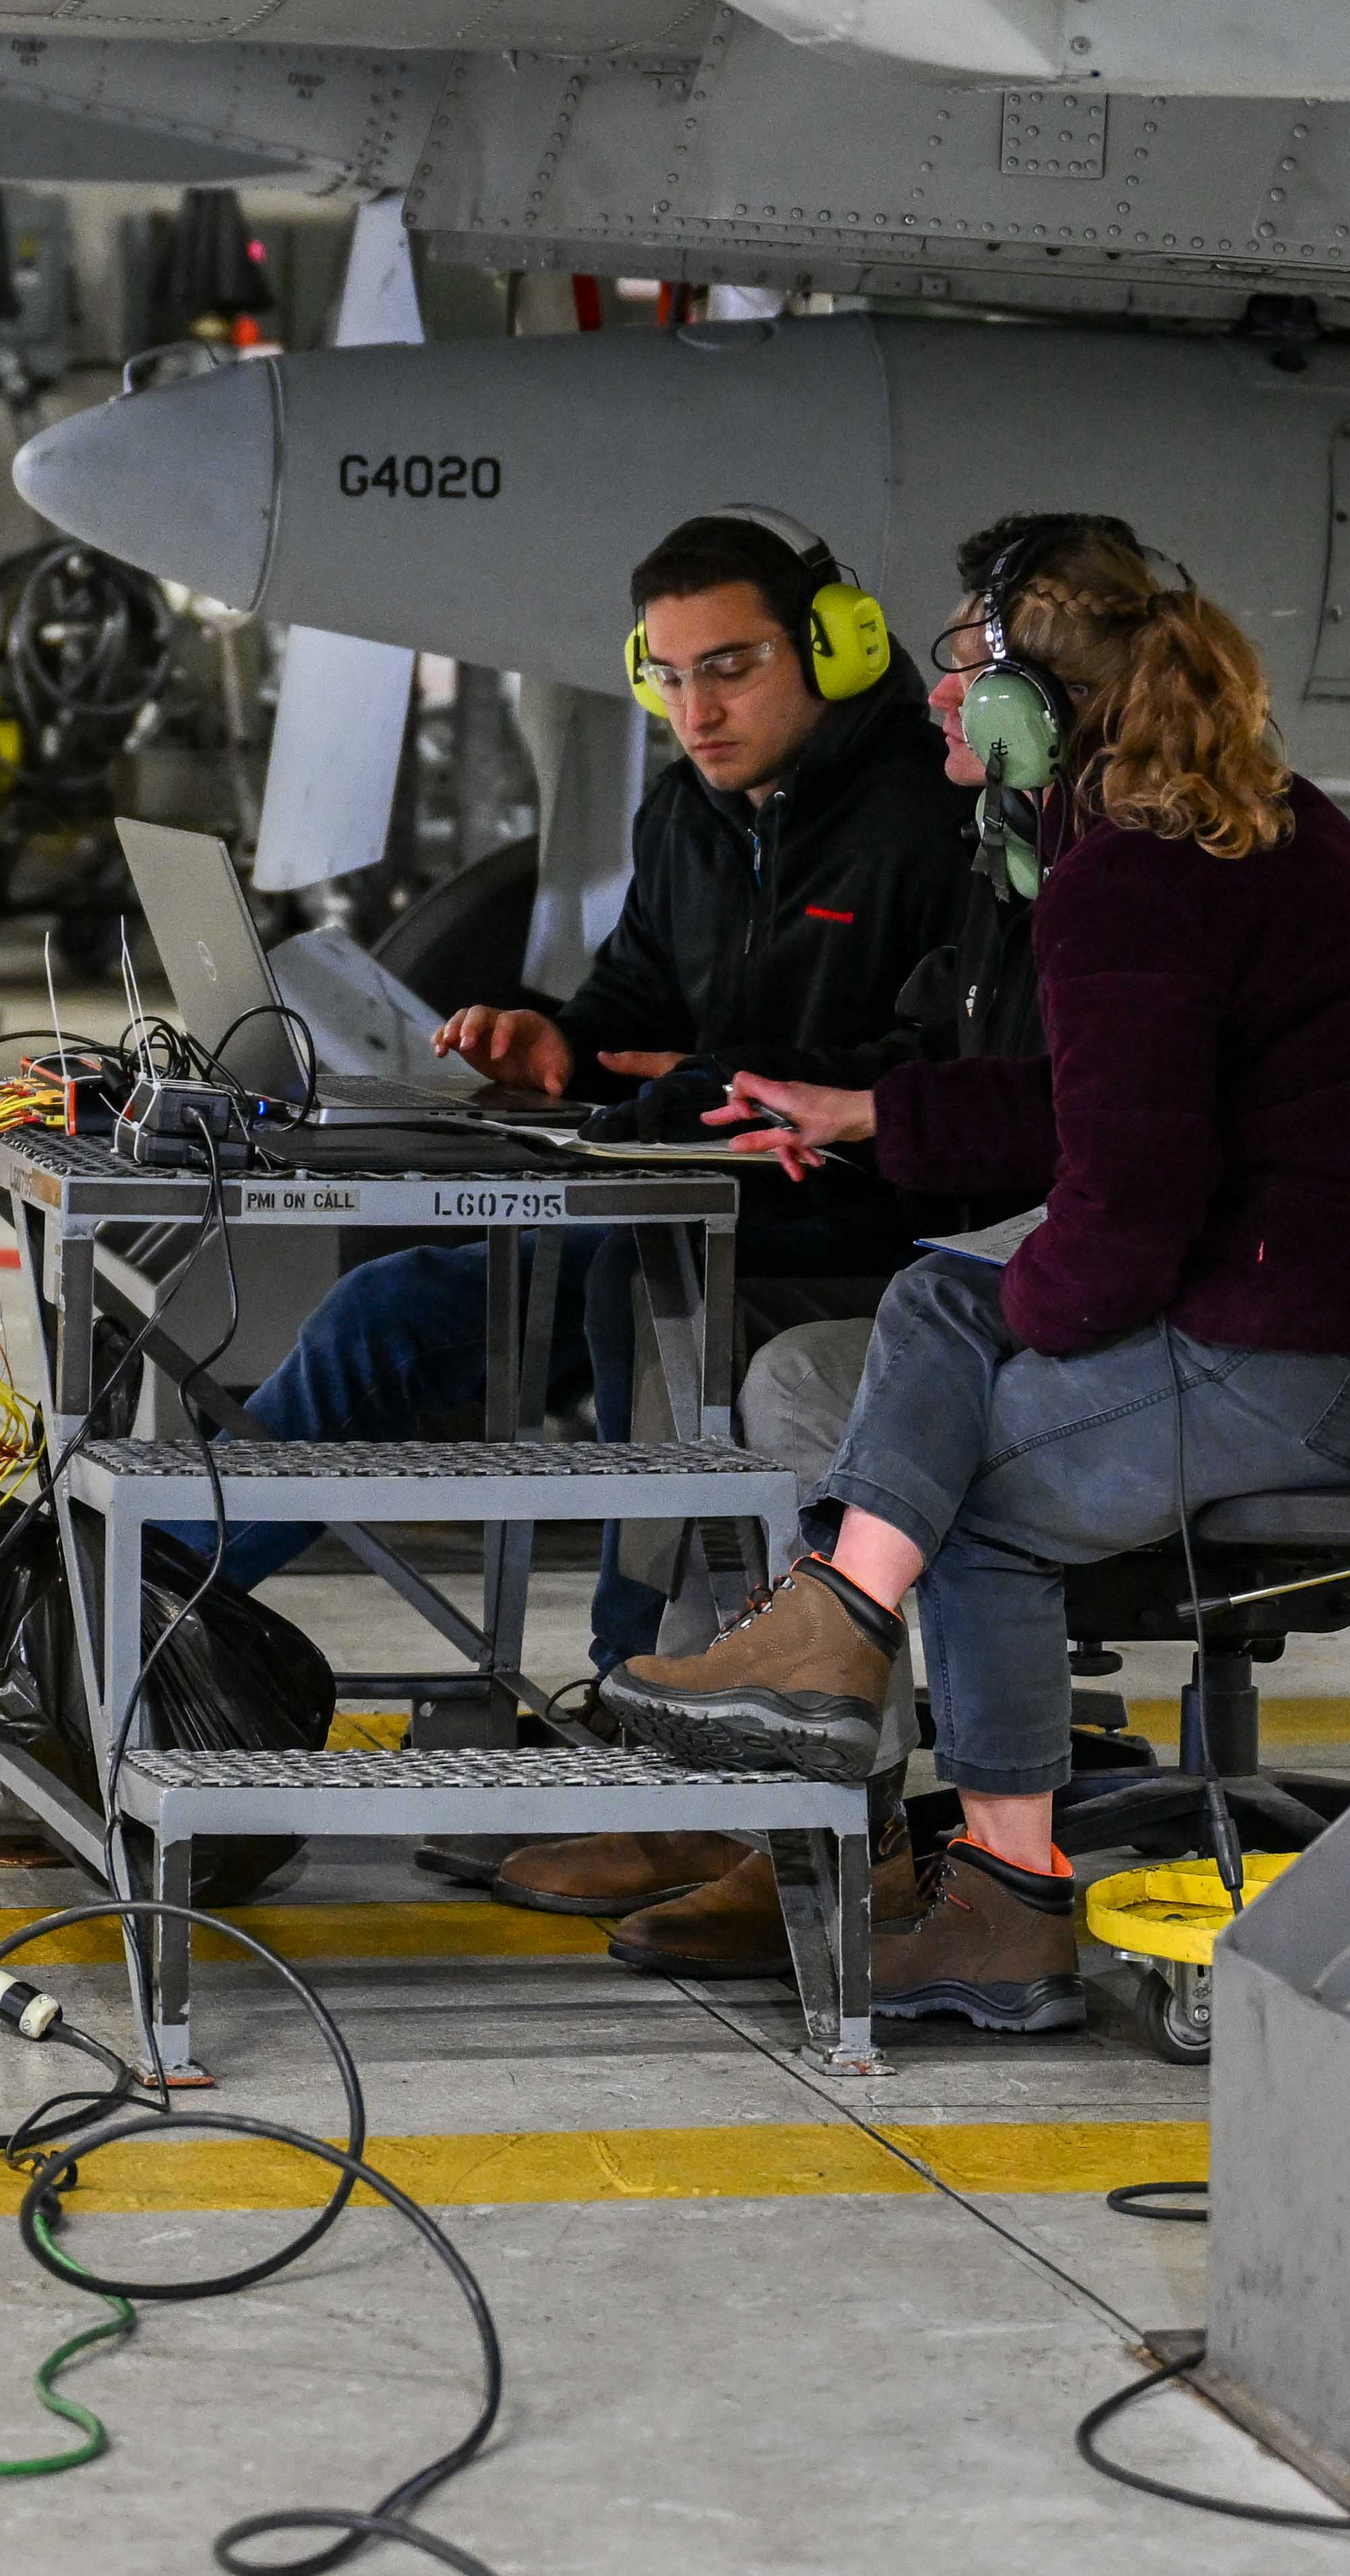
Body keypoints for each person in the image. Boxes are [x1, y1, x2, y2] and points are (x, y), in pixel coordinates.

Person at [599, 512, 1350, 2034]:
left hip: (1317, 1367)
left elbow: (1118, 1220)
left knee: (963, 1491)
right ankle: (839, 1631)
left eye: (967, 666)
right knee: (936, 1306)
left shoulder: (1123, 880)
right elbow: (1115, 1096)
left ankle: (1000, 1900)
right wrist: (870, 1112)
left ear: (1039, 705)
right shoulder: (1239, 822)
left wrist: (1002, 1369)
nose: (940, 696)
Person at [196, 509, 971, 1681]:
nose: (695, 712)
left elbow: (946, 1074)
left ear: (831, 648)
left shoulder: (929, 819)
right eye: (666, 678)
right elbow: (635, 999)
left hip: (856, 1224)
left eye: (729, 668)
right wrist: (553, 1038)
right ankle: (133, 1609)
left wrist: (718, 1084)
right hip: (679, 1210)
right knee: (387, 1312)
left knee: (632, 1292)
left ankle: (631, 1685)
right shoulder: (687, 817)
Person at [527, 518, 1060, 1979]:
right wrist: (579, 1050)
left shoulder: (1021, 854)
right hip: (891, 1231)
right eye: (671, 678)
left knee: (763, 1356)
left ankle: (791, 1813)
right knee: (687, 1317)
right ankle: (719, 1776)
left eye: (974, 673)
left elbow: (1049, 1134)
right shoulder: (1009, 854)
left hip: (958, 1253)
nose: (940, 698)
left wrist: (831, 1106)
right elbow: (982, 1077)